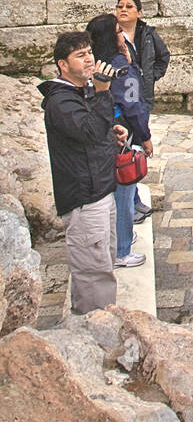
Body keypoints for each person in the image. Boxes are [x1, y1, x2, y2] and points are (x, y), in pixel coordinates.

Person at [40, 31, 128, 314]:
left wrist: (113, 135)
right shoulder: (60, 101)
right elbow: (88, 131)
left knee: (104, 263)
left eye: (89, 52)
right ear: (62, 65)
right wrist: (103, 93)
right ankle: (93, 336)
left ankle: (101, 327)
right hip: (85, 198)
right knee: (93, 275)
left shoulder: (84, 90)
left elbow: (93, 130)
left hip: (102, 190)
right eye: (80, 55)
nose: (89, 58)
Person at [86, 12, 149, 269]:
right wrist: (145, 137)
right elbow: (134, 104)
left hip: (103, 133)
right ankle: (122, 248)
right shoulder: (120, 67)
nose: (123, 34)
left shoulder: (96, 65)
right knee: (124, 189)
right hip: (123, 133)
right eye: (117, 31)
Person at [115, 0, 169, 223]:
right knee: (128, 148)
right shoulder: (112, 36)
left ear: (139, 12)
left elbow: (163, 57)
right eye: (119, 6)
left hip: (141, 97)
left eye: (128, 6)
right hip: (123, 100)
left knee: (135, 147)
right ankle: (132, 197)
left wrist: (148, 77)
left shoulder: (147, 34)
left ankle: (133, 196)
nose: (123, 10)